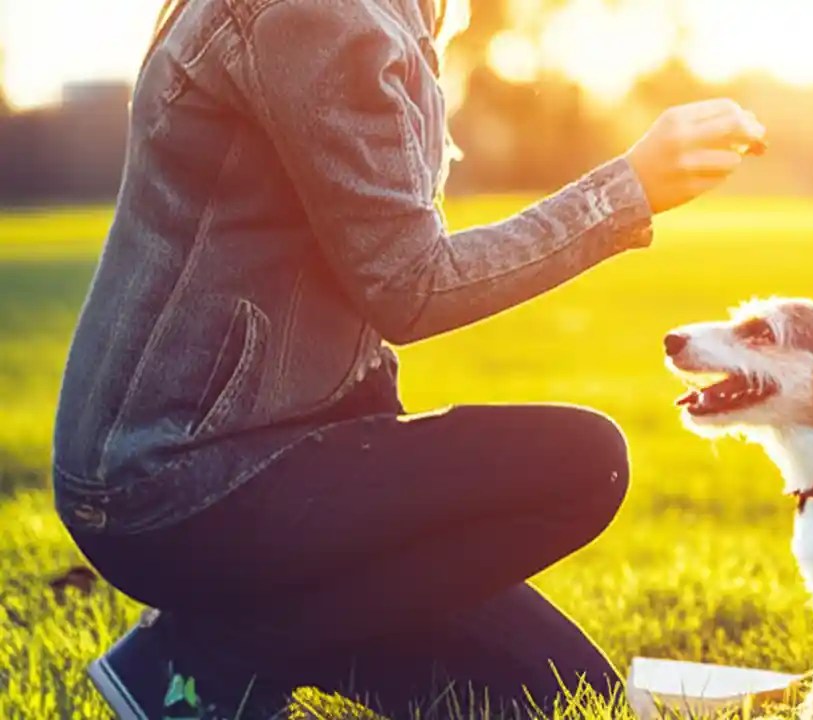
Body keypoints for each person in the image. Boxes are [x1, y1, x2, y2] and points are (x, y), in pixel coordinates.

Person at [51, 0, 765, 717]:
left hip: (277, 452)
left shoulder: (398, 12)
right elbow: (407, 285)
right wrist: (625, 191)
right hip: (179, 480)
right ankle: (210, 661)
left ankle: (265, 634)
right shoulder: (318, 12)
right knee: (584, 463)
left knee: (563, 696)